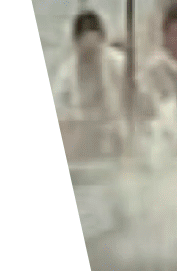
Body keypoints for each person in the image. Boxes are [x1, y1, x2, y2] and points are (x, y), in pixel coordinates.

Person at [51, 11, 128, 160]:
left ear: (102, 41)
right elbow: (59, 112)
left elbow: (138, 104)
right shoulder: (67, 74)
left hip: (116, 140)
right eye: (86, 53)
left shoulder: (119, 65)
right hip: (81, 143)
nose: (90, 58)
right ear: (76, 44)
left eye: (94, 51)